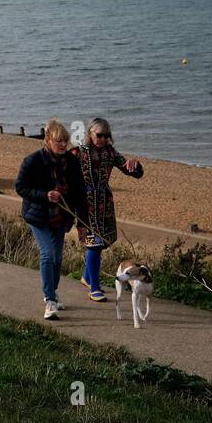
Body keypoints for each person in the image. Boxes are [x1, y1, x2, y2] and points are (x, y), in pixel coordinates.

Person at [15, 119, 85, 320]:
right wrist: (44, 195)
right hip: (37, 215)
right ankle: (50, 300)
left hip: (61, 216)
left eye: (65, 141)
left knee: (58, 258)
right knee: (47, 255)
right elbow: (20, 187)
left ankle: (53, 293)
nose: (63, 145)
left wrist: (81, 224)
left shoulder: (72, 162)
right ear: (47, 140)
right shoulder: (32, 160)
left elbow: (80, 194)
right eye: (58, 141)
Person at [72, 117, 144, 302]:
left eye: (106, 135)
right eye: (99, 135)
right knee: (93, 244)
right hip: (85, 204)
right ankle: (94, 288)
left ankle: (87, 277)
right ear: (90, 134)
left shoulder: (110, 152)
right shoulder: (78, 153)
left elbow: (132, 172)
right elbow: (62, 170)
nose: (103, 139)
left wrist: (135, 165)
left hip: (104, 203)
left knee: (102, 243)